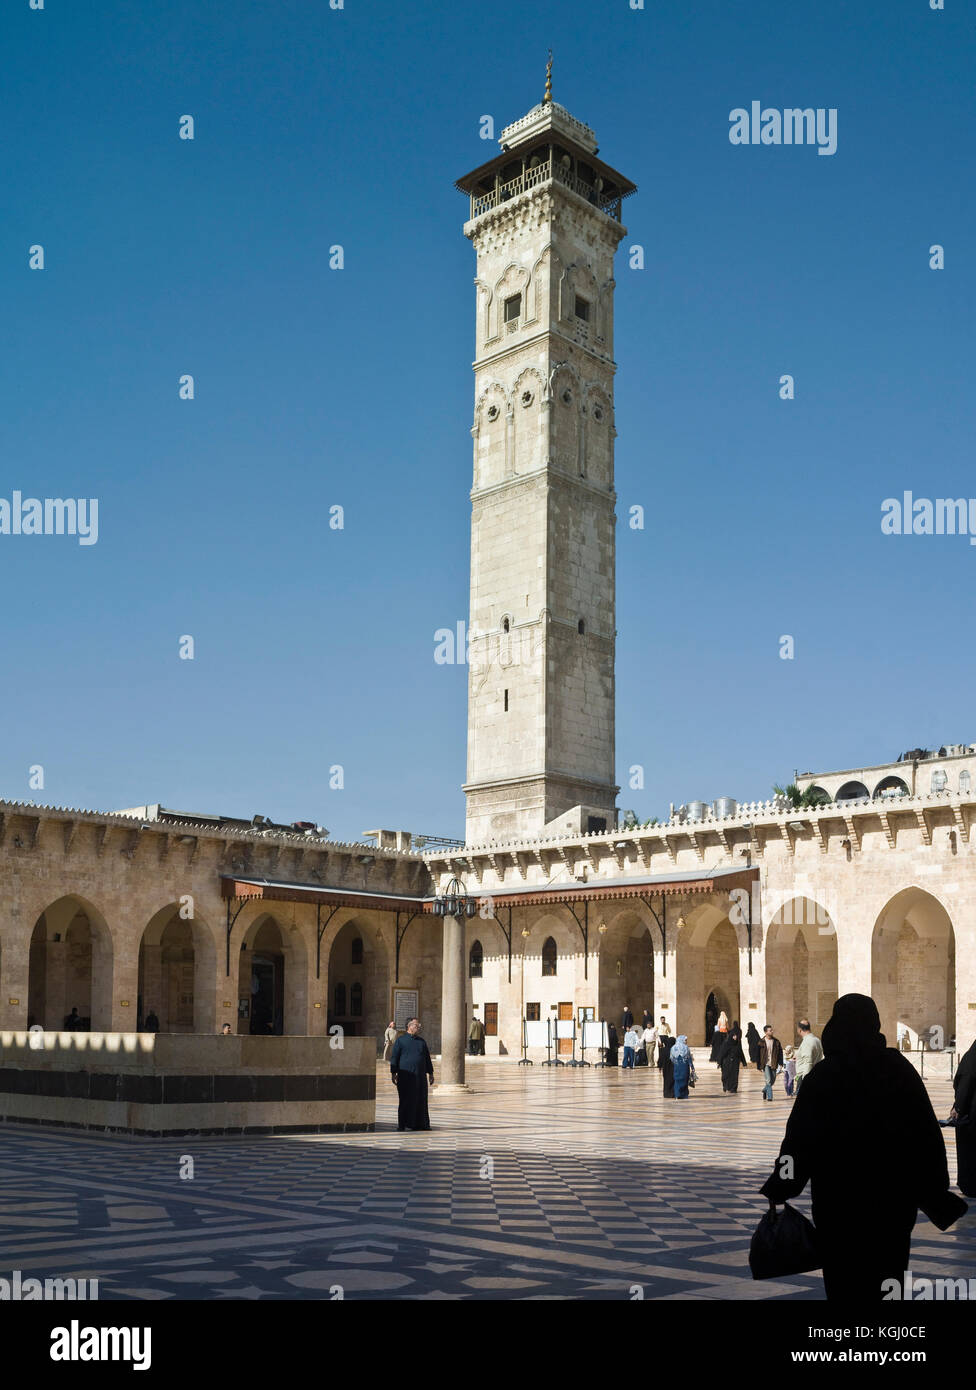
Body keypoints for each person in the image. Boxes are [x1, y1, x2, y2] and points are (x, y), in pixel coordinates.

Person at [760, 993, 967, 1301]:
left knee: (843, 1285)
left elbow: (798, 1143)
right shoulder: (898, 1070)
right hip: (892, 1208)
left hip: (838, 1208)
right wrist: (935, 1187)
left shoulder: (824, 1077)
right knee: (887, 1282)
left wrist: (782, 1184)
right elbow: (926, 1137)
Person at [390, 1017, 434, 1131]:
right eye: (416, 1025)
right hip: (406, 1077)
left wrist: (431, 1073)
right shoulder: (400, 1040)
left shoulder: (421, 1041)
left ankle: (422, 1124)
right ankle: (402, 1125)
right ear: (409, 1027)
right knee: (405, 1100)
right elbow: (395, 1057)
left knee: (421, 1100)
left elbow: (427, 1058)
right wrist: (393, 1072)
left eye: (418, 1025)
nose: (418, 1027)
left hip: (420, 1076)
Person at [950, 1036, 976, 1196]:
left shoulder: (972, 1057)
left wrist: (958, 1106)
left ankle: (970, 1184)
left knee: (970, 1150)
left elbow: (967, 1080)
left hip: (971, 1113)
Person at [795, 1018, 824, 1094]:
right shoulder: (816, 1040)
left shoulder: (807, 1042)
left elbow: (808, 1062)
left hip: (805, 1076)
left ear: (799, 1030)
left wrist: (806, 1082)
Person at [719, 1020, 747, 1093]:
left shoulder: (737, 1045)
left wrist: (744, 1062)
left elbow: (741, 1053)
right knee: (726, 1076)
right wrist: (719, 1062)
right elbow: (722, 1053)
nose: (735, 1037)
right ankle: (726, 1086)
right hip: (726, 1063)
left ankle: (733, 1088)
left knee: (734, 1076)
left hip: (735, 1063)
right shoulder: (726, 1044)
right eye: (734, 1036)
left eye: (735, 1036)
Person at [758, 1023, 783, 1101]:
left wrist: (781, 1063)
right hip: (765, 1063)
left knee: (773, 1080)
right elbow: (757, 1054)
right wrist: (758, 1065)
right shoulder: (761, 1042)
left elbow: (780, 1053)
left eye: (772, 1030)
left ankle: (765, 1090)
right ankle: (770, 1097)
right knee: (768, 1080)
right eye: (770, 1030)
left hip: (773, 1063)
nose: (772, 1031)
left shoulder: (776, 1042)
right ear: (766, 1032)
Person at [670, 1034, 692, 1099]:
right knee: (684, 1079)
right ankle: (684, 1095)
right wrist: (692, 1067)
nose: (686, 1041)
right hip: (684, 1066)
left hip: (677, 1066)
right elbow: (689, 1058)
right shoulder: (686, 1048)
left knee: (677, 1080)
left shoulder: (673, 1048)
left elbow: (671, 1058)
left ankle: (677, 1094)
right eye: (685, 1040)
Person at [659, 1031, 677, 1096]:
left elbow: (660, 1059)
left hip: (665, 1068)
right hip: (672, 1068)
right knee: (672, 1079)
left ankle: (666, 1093)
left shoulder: (663, 1050)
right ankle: (672, 1093)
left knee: (666, 1080)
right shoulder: (675, 1050)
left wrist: (660, 1066)